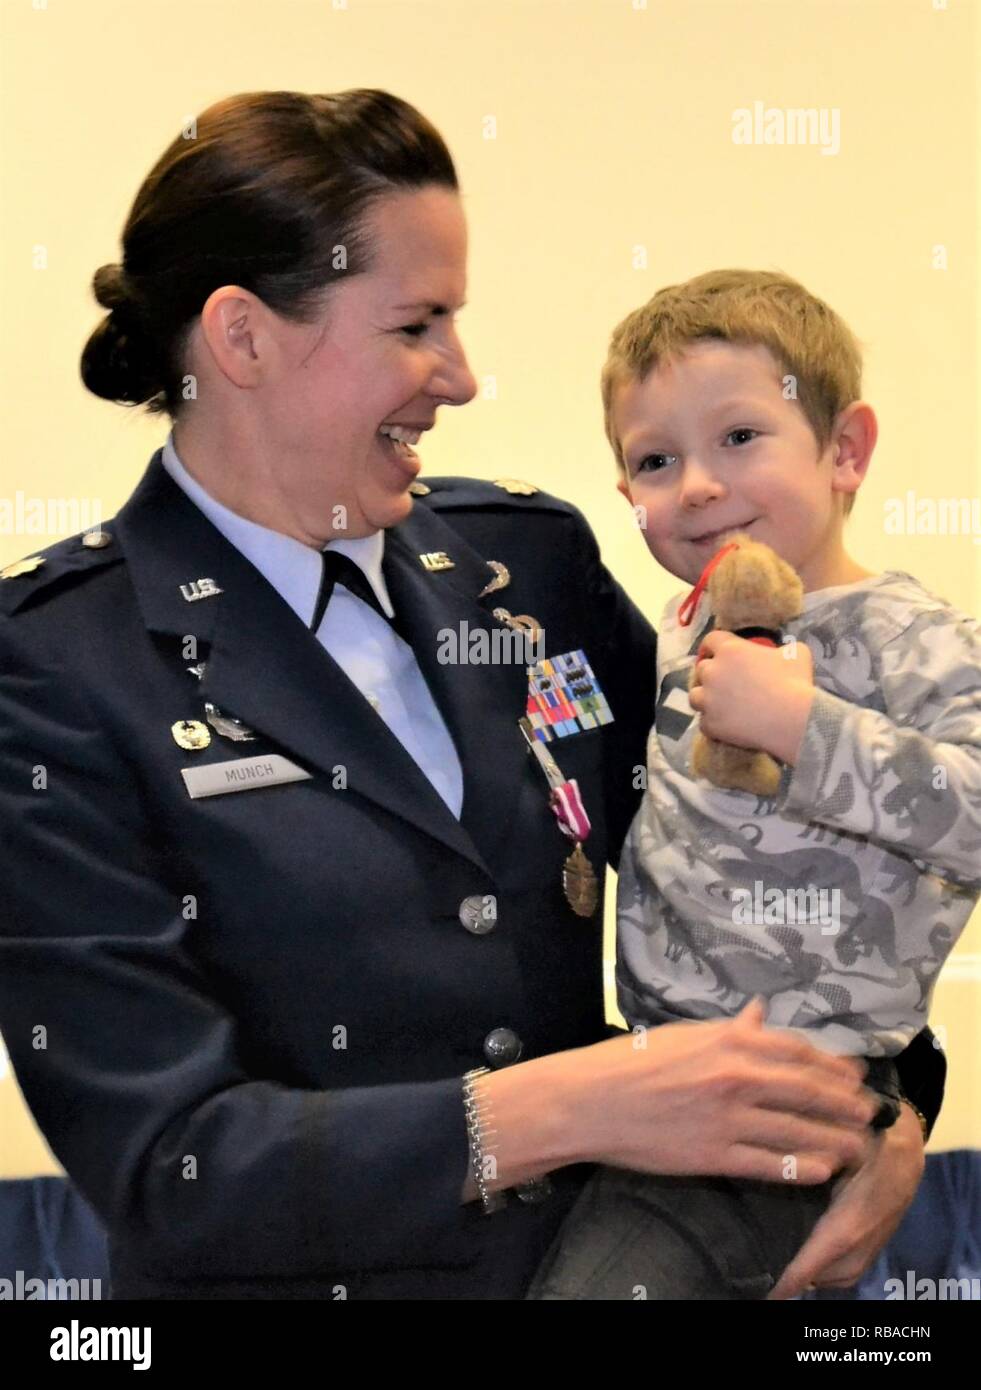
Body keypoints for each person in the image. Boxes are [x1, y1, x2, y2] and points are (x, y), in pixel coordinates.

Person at [0, 93, 942, 1301]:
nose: (461, 374)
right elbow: (169, 1167)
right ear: (242, 339)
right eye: (416, 324)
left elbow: (757, 853)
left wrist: (884, 1102)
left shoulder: (528, 571)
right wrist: (561, 1106)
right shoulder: (57, 667)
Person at [526, 268, 979, 1300]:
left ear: (845, 451)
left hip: (793, 1094)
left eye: (740, 438)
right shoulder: (679, 634)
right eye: (655, 459)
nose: (695, 484)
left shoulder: (919, 641)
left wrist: (805, 731)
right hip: (657, 1082)